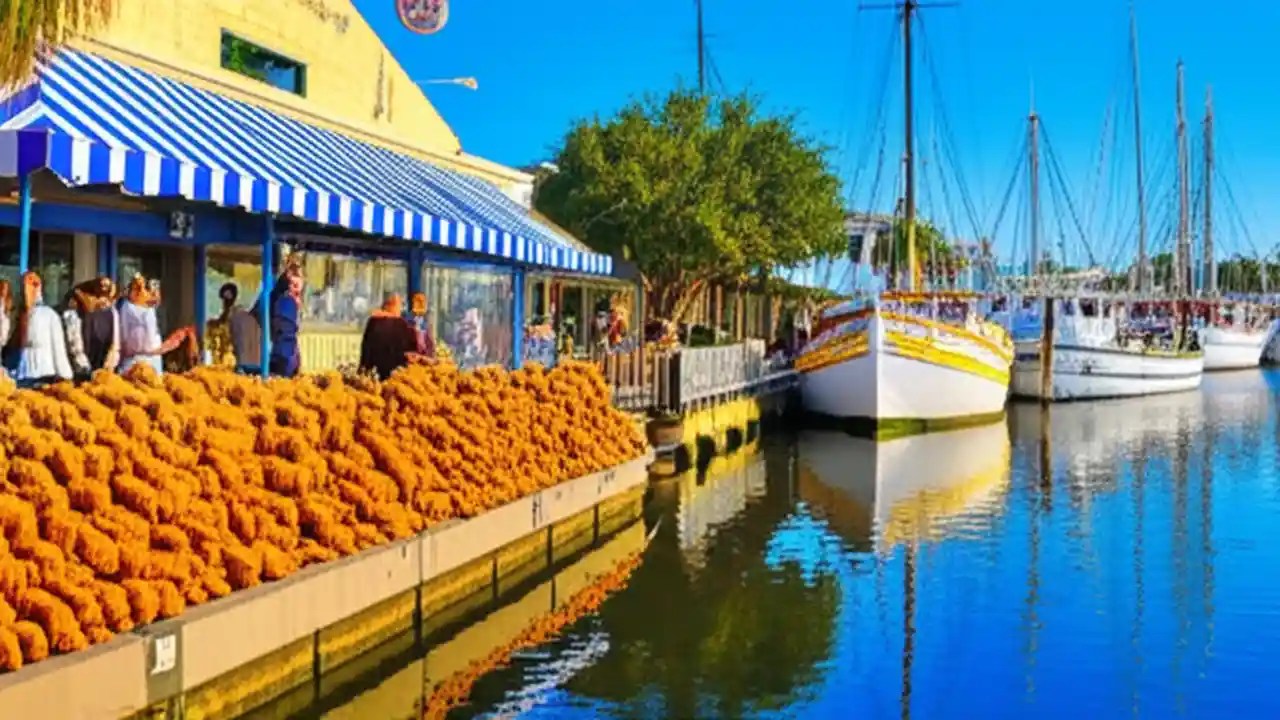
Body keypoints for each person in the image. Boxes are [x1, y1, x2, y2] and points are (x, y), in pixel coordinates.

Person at [117, 275, 195, 375]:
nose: (154, 294)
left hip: (149, 364)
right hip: (136, 364)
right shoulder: (131, 309)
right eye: (139, 289)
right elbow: (145, 345)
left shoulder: (149, 310)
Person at [5, 271, 73, 385]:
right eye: (25, 285)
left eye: (34, 285)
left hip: (43, 377)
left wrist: (65, 375)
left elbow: (58, 348)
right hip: (20, 377)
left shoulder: (49, 315)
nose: (29, 290)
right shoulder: (15, 315)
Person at [359, 293, 418, 380]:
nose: (400, 310)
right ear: (390, 306)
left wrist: (363, 369)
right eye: (399, 306)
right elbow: (411, 349)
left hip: (375, 374)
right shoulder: (402, 325)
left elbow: (366, 349)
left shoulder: (373, 322)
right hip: (397, 374)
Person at [216, 282, 262, 374]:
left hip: (240, 365)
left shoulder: (233, 318)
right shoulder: (248, 317)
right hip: (255, 364)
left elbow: (234, 343)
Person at [79, 277, 120, 374]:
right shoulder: (82, 313)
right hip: (85, 363)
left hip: (103, 362)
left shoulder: (111, 312)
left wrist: (111, 360)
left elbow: (115, 341)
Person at [268, 269, 303, 378]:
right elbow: (283, 331)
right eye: (294, 287)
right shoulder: (286, 302)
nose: (297, 296)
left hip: (283, 354)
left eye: (298, 293)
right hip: (283, 356)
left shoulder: (284, 301)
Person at [407, 291, 437, 358]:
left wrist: (431, 356)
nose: (422, 304)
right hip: (412, 357)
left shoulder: (428, 319)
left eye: (423, 301)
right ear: (413, 303)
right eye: (418, 301)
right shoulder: (408, 319)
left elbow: (431, 341)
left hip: (425, 358)